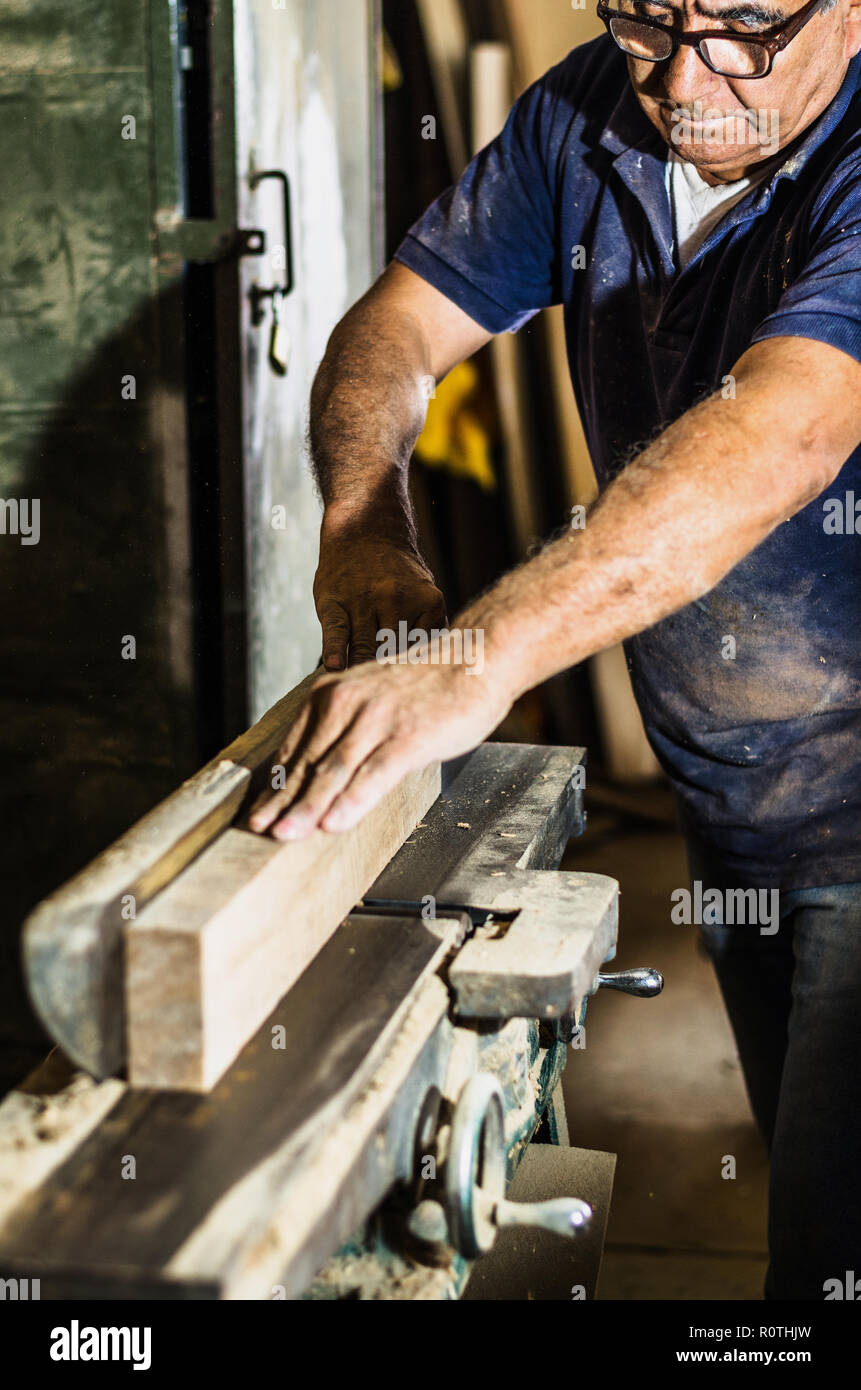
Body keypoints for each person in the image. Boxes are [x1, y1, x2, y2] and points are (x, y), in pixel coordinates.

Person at [250, 1, 861, 1298]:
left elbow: (784, 433)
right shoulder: (585, 112)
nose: (686, 79)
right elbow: (398, 330)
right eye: (648, 18)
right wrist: (365, 522)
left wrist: (475, 660)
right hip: (737, 797)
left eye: (746, 28)